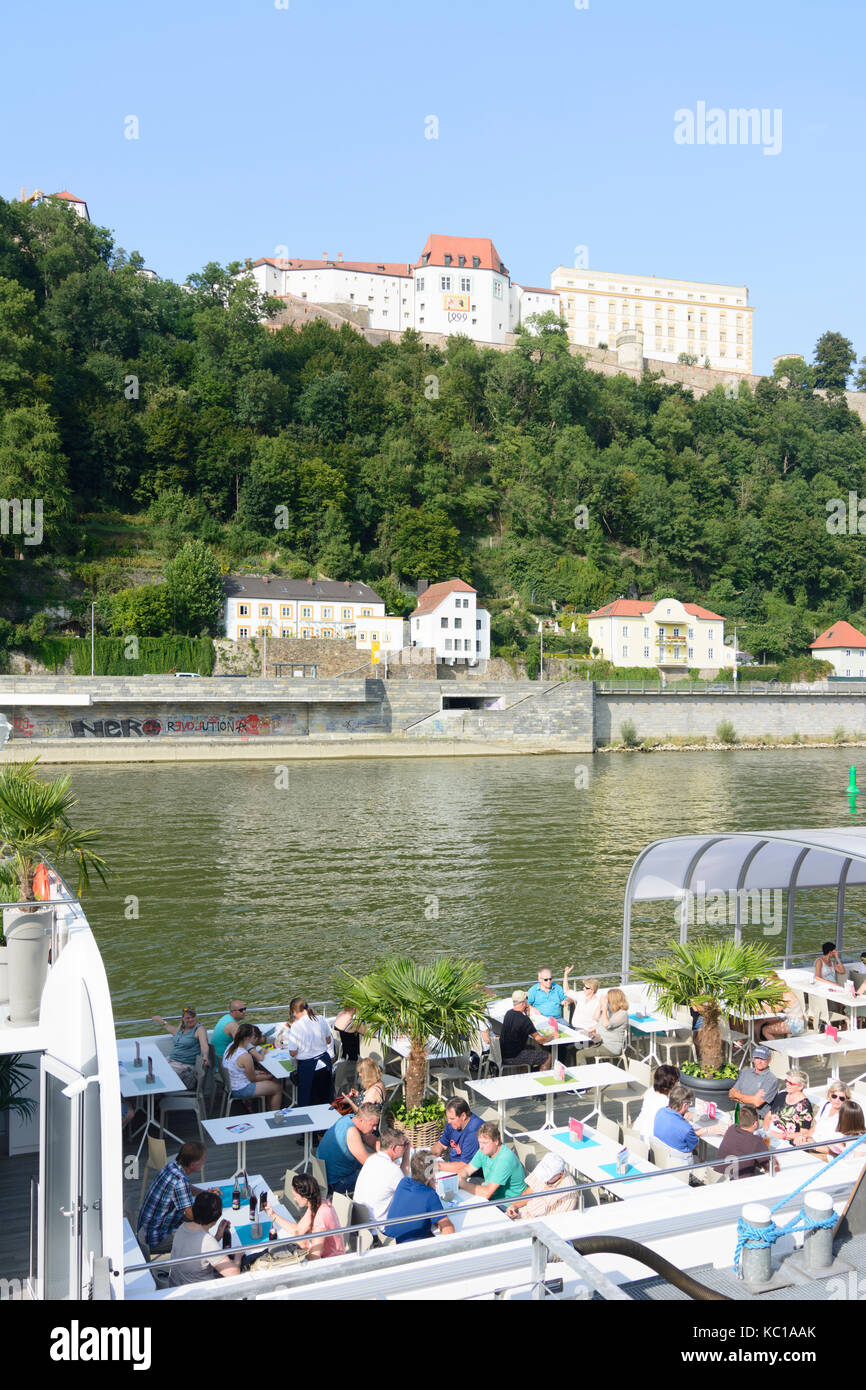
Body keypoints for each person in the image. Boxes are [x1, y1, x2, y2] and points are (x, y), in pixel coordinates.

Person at [137, 1140, 207, 1253]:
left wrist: (205, 1193)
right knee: (201, 1238)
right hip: (156, 1238)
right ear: (193, 1164)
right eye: (202, 1159)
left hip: (147, 1229)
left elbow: (186, 1187)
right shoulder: (180, 1181)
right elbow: (191, 1215)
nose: (204, 1161)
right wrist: (212, 1216)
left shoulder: (172, 1167)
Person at [264, 1172, 346, 1258]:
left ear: (305, 1197)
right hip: (327, 1257)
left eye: (295, 1196)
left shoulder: (321, 1216)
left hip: (331, 1263)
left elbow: (315, 1257)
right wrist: (272, 1215)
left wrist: (303, 1248)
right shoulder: (318, 1203)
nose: (294, 1199)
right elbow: (298, 1230)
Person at [168, 1190, 242, 1285]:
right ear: (215, 1220)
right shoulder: (208, 1241)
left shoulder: (182, 1227)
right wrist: (238, 1255)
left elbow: (199, 1249)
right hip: (199, 1292)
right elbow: (233, 1274)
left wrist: (218, 1236)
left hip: (175, 1286)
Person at [384, 1152, 456, 1244]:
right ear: (431, 1174)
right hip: (409, 1250)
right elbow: (447, 1228)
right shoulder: (430, 1195)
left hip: (389, 1243)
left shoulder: (403, 1182)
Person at [352, 1128, 410, 1229]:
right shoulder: (393, 1170)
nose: (406, 1147)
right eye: (404, 1145)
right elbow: (408, 1197)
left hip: (362, 1223)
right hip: (379, 1229)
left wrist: (406, 1152)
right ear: (394, 1148)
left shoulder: (371, 1160)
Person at [317, 1102, 381, 1194]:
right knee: (380, 1176)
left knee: (377, 1164)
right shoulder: (352, 1132)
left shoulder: (349, 1118)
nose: (375, 1128)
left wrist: (383, 1148)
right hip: (336, 1183)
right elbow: (368, 1162)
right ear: (362, 1120)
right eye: (373, 1125)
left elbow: (369, 1138)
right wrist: (387, 1154)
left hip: (327, 1174)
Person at [457, 1122, 526, 1202]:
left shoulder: (504, 1159)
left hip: (509, 1202)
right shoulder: (485, 1150)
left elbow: (487, 1193)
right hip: (493, 1193)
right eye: (480, 1142)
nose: (481, 1146)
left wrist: (463, 1184)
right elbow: (467, 1170)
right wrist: (460, 1177)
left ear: (496, 1141)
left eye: (485, 1143)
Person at [285, 996, 334, 1107]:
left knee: (308, 1099)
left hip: (308, 1066)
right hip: (324, 1062)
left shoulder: (296, 1026)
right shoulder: (320, 1019)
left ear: (294, 1012)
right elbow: (328, 1040)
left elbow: (292, 1052)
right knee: (326, 1096)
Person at [222, 1022, 283, 1111]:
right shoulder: (245, 1056)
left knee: (272, 1079)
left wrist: (258, 1073)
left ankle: (269, 1108)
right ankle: (274, 1114)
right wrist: (268, 1076)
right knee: (278, 1088)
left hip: (233, 1083)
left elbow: (238, 1068)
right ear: (247, 1038)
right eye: (253, 1037)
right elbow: (252, 1079)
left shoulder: (231, 1046)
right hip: (241, 1088)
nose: (255, 1039)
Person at [505, 1153, 579, 1220]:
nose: (543, 1180)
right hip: (524, 1213)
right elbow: (530, 1192)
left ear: (560, 1173)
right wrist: (514, 1205)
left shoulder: (569, 1191)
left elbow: (559, 1220)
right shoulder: (541, 1171)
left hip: (541, 1223)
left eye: (547, 1177)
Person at [152, 1006, 209, 1089]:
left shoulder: (199, 1029)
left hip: (184, 1065)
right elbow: (174, 1031)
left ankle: (156, 1096)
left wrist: (205, 1056)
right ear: (183, 1019)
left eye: (193, 1017)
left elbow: (204, 1045)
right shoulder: (183, 1028)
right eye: (188, 1018)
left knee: (160, 1073)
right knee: (152, 1066)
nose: (190, 1020)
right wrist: (162, 1021)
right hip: (172, 1059)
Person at [714, 1105, 772, 1180]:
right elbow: (768, 1166)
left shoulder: (732, 1129)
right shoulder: (756, 1141)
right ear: (755, 1123)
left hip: (727, 1172)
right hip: (744, 1180)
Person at [500, 990, 552, 1072]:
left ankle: (525, 1075)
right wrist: (552, 1036)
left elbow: (522, 1026)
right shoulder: (524, 1020)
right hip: (513, 1056)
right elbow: (539, 1040)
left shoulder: (508, 1013)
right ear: (524, 1002)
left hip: (502, 1053)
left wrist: (527, 1015)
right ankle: (541, 1080)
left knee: (531, 1047)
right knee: (547, 1057)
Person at [431, 1097, 485, 1173]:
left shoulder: (473, 1132)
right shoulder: (454, 1124)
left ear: (463, 1116)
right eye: (448, 1118)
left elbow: (464, 1166)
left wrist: (437, 1165)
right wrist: (427, 1157)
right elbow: (441, 1145)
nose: (449, 1122)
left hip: (472, 1175)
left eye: (452, 1118)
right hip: (453, 1167)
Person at [727, 1046, 779, 1119]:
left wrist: (738, 1096)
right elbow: (731, 1094)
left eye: (763, 1059)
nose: (759, 1061)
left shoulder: (771, 1079)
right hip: (739, 1113)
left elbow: (757, 1102)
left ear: (769, 1060)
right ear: (753, 1059)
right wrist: (751, 1099)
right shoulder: (746, 1072)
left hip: (755, 1118)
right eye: (757, 1058)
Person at [635, 1064, 680, 1145]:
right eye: (677, 1081)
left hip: (637, 1132)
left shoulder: (650, 1091)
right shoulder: (665, 1103)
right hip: (651, 1142)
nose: (678, 1083)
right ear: (672, 1084)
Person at [653, 1084, 701, 1157]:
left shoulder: (660, 1112)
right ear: (684, 1105)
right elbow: (694, 1146)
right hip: (682, 1162)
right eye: (689, 1104)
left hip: (660, 1157)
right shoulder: (686, 1128)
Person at [764, 1069, 813, 1138]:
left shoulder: (805, 1106)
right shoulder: (782, 1095)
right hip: (771, 1133)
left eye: (791, 1083)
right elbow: (768, 1116)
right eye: (786, 1081)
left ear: (800, 1087)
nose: (787, 1084)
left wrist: (781, 1136)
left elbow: (804, 1133)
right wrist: (766, 1131)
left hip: (787, 1140)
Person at [588, 988, 630, 1056]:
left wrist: (604, 1008)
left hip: (610, 1047)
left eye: (607, 998)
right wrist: (600, 1004)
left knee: (580, 1054)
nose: (606, 1001)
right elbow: (595, 1018)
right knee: (574, 1046)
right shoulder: (609, 1009)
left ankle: (584, 1066)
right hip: (599, 1040)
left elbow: (606, 1025)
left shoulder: (622, 1014)